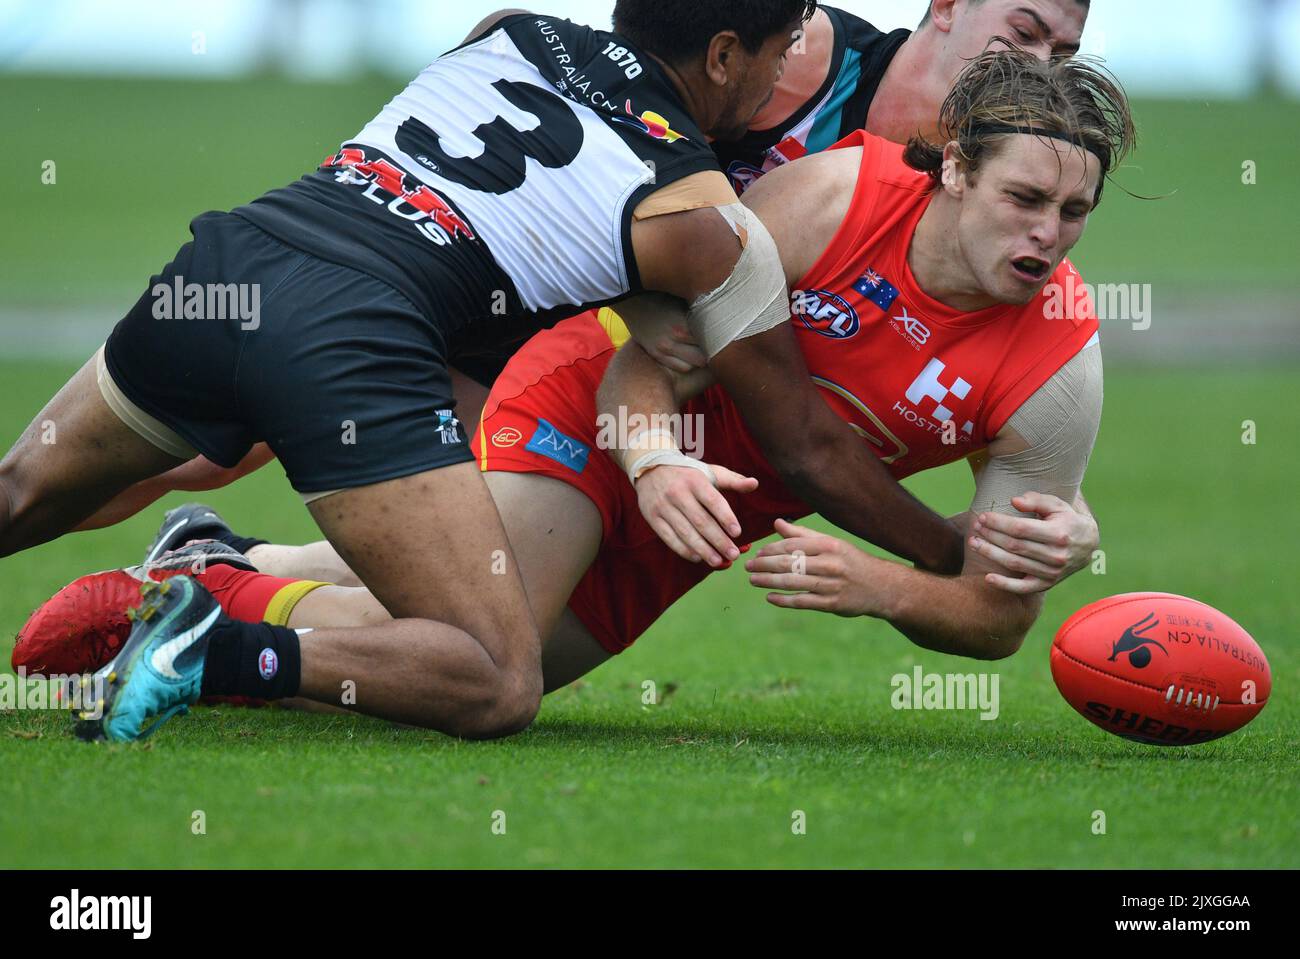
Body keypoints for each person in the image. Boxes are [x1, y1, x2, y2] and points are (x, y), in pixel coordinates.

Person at [19, 50, 1135, 714]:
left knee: (434, 663)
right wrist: (650, 459)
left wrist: (886, 585)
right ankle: (205, 646)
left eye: (1072, 212)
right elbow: (647, 356)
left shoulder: (1057, 364)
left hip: (698, 530)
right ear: (950, 168)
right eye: (1022, 198)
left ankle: (216, 578)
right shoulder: (836, 199)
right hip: (595, 411)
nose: (1047, 235)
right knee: (477, 662)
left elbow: (998, 617)